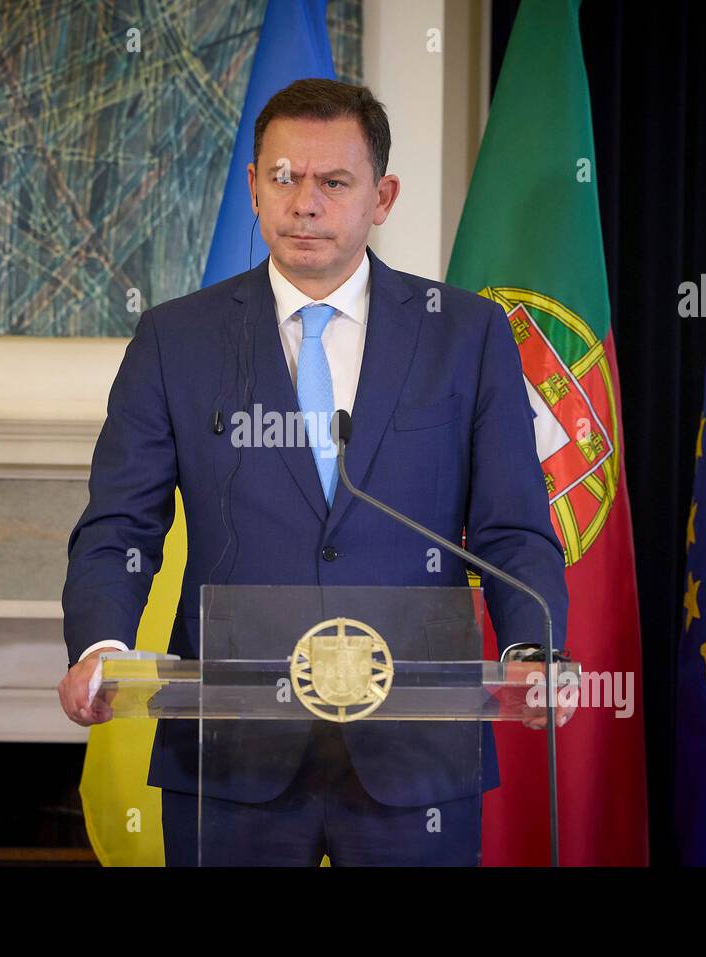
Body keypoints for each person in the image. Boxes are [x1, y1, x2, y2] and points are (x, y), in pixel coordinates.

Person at [59, 78, 571, 865]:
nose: (306, 203)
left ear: (382, 195)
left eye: (334, 182)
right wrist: (100, 643)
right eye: (283, 177)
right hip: (231, 755)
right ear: (254, 189)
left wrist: (533, 648)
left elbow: (511, 526)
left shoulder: (466, 336)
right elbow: (121, 525)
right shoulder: (175, 340)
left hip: (414, 756)